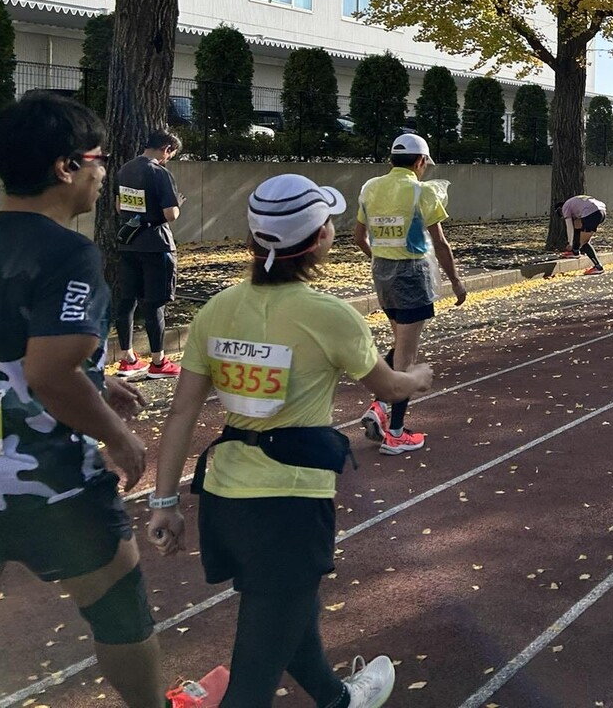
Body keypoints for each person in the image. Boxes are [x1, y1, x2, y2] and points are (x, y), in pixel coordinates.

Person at [149, 174, 433, 708]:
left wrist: (164, 501)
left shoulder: (216, 310)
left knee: (286, 610)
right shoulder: (331, 315)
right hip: (290, 503)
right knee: (254, 676)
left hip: (226, 500)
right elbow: (389, 387)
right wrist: (418, 376)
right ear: (321, 237)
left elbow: (182, 410)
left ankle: (339, 699)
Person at [0, 92, 166, 708]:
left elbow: (21, 351)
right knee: (119, 608)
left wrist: (94, 378)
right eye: (98, 160)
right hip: (49, 482)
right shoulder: (68, 253)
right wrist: (118, 436)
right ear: (66, 167)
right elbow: (49, 371)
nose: (103, 174)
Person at [354, 133, 466, 456]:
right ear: (419, 162)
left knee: (401, 344)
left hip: (383, 275)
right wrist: (456, 281)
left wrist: (379, 259)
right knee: (407, 357)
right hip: (413, 276)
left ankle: (379, 406)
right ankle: (396, 433)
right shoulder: (422, 191)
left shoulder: (370, 188)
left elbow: (359, 237)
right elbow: (440, 243)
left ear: (392, 160)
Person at [113, 130, 185, 380]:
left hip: (129, 242)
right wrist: (178, 204)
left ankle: (128, 358)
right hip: (156, 244)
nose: (168, 159)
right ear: (166, 149)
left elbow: (119, 206)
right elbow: (170, 214)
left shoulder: (125, 170)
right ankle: (158, 362)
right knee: (155, 303)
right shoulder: (159, 172)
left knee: (127, 300)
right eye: (170, 154)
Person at [556, 192, 609, 273]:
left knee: (584, 242)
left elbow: (569, 226)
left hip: (591, 213)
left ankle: (598, 267)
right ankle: (575, 251)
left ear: (560, 208)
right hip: (601, 211)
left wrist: (570, 243)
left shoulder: (565, 207)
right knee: (577, 224)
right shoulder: (574, 203)